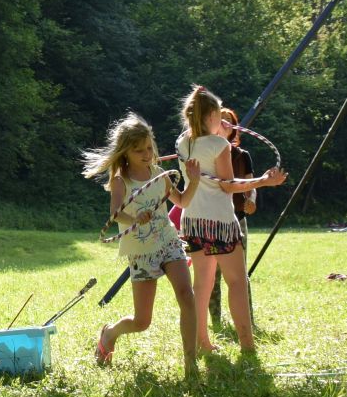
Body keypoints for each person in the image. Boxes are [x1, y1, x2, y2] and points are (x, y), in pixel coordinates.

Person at [175, 86, 285, 354]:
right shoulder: (219, 145)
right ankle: (247, 344)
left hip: (194, 222)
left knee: (202, 284)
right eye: (218, 115)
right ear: (212, 114)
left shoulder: (182, 143)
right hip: (220, 223)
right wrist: (264, 182)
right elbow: (227, 185)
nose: (223, 122)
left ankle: (203, 343)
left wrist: (202, 101)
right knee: (237, 281)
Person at [86, 114, 198, 377]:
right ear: (126, 151)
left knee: (186, 295)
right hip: (141, 251)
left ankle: (191, 365)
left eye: (149, 148)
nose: (147, 154)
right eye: (139, 151)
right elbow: (115, 214)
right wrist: (134, 217)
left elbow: (182, 202)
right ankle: (110, 333)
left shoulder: (160, 175)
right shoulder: (120, 181)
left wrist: (194, 181)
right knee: (142, 321)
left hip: (168, 242)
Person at [206, 105, 258, 323]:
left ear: (233, 128)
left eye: (229, 121)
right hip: (210, 219)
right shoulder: (205, 153)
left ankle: (247, 320)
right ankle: (215, 321)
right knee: (211, 274)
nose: (224, 123)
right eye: (220, 119)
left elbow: (250, 183)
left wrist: (251, 199)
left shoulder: (242, 156)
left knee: (239, 274)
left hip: (237, 217)